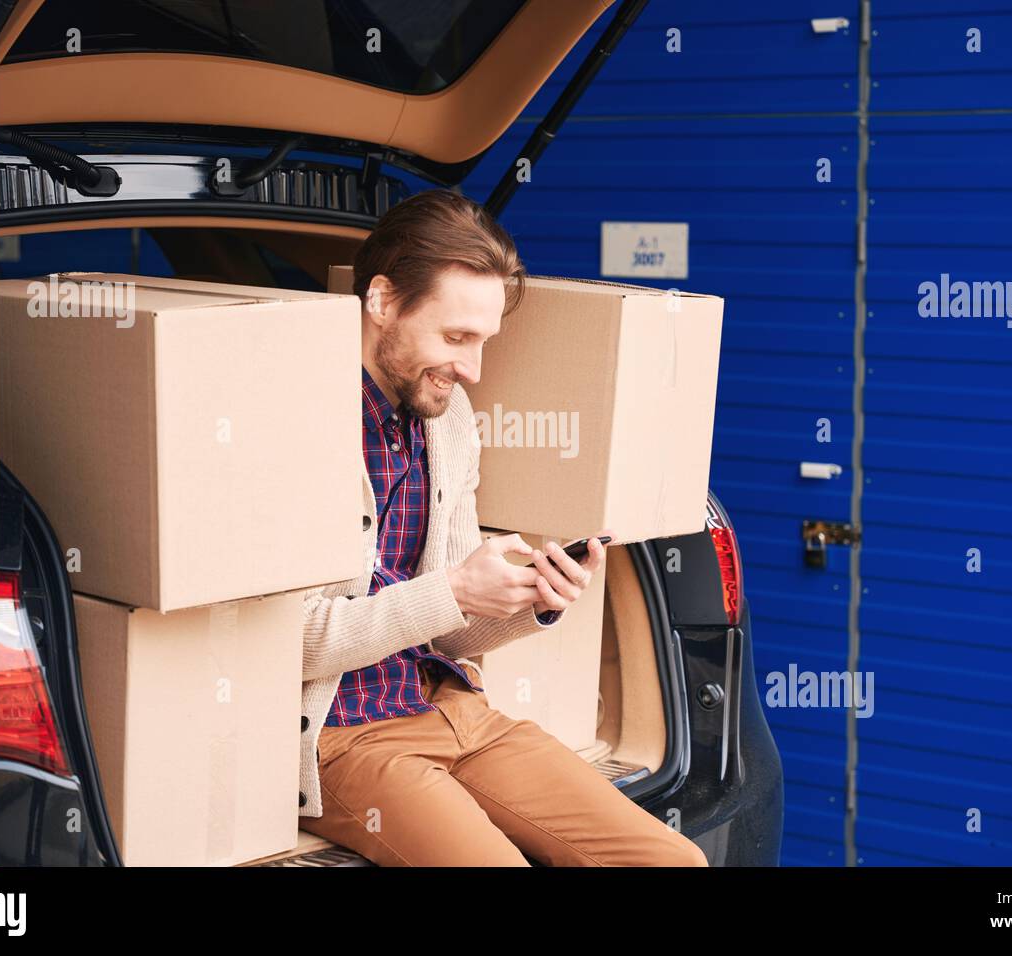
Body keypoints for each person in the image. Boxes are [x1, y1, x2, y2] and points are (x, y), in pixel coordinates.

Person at [296, 189, 708, 867]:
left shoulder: (447, 422)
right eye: (456, 337)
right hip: (345, 733)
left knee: (673, 861)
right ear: (381, 302)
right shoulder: (296, 422)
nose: (473, 371)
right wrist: (455, 589)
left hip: (455, 710)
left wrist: (530, 601)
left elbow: (453, 631)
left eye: (484, 341)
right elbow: (292, 645)